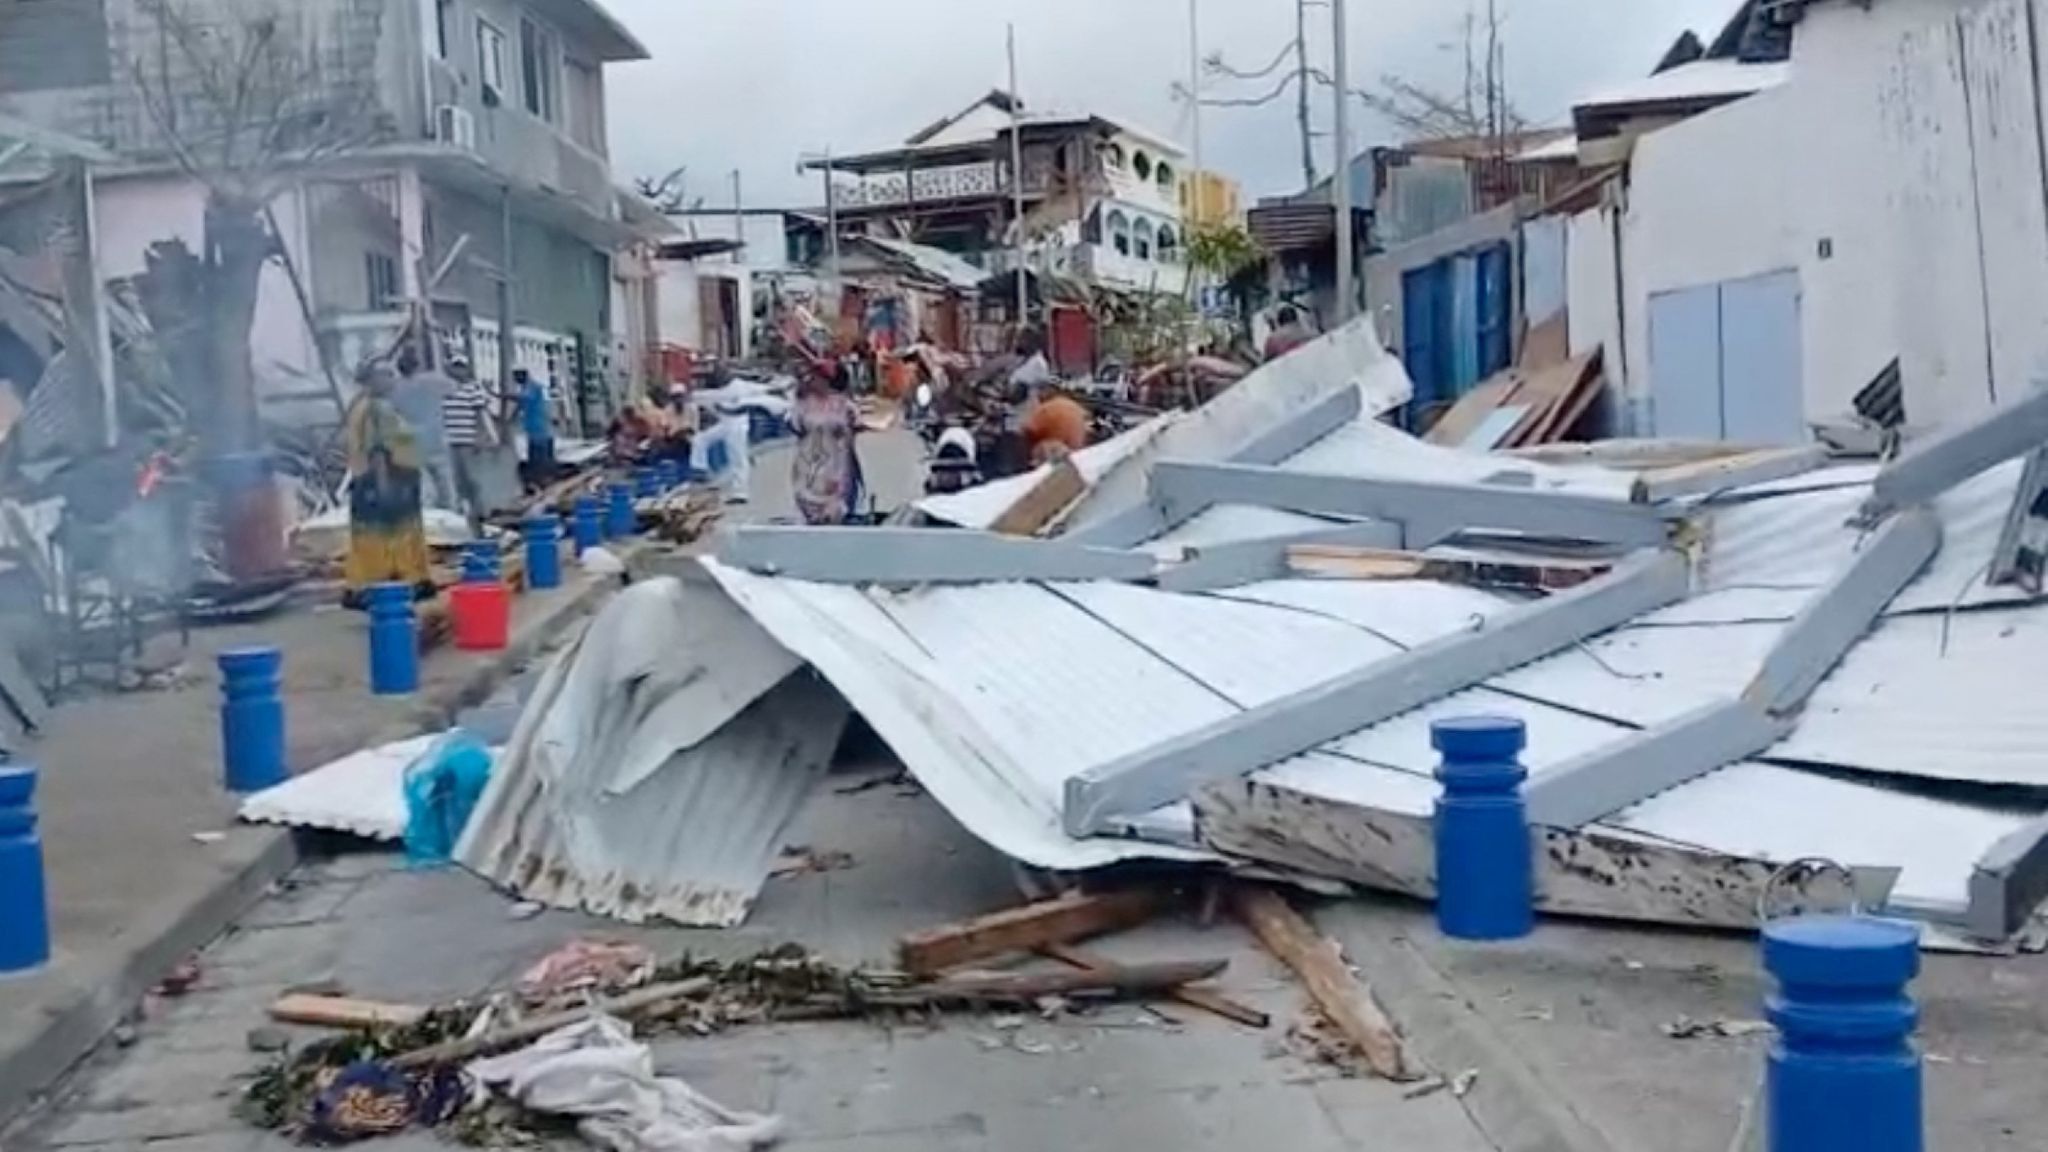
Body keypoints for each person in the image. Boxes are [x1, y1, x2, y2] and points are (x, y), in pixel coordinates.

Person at [343, 361, 431, 607]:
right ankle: (393, 583)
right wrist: (383, 485)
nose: (392, 379)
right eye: (386, 375)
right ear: (372, 380)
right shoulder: (377, 409)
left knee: (377, 537)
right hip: (389, 480)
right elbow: (378, 449)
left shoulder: (364, 406)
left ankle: (369, 584)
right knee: (391, 536)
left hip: (380, 479)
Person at [787, 363, 863, 525]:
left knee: (834, 509)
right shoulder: (803, 404)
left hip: (835, 464)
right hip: (808, 463)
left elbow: (853, 430)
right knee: (804, 503)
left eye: (818, 377)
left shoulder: (845, 406)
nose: (813, 381)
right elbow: (795, 426)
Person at [394, 347, 456, 511]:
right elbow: (454, 387)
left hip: (411, 443)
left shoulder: (395, 388)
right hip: (436, 438)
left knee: (421, 486)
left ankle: (425, 514)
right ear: (417, 365)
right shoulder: (433, 381)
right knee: (445, 483)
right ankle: (450, 513)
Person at [441, 356, 497, 535]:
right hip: (449, 441)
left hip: (468, 441)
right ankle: (460, 515)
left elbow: (482, 414)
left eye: (461, 367)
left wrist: (487, 436)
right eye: (455, 367)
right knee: (455, 481)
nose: (458, 371)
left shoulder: (473, 388)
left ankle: (478, 513)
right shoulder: (444, 389)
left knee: (471, 480)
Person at [1020, 382, 1091, 466]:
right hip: (1077, 452)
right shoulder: (1074, 406)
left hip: (1056, 454)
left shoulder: (1044, 410)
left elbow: (1027, 429)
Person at [516, 368, 557, 487]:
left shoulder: (533, 387)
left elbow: (522, 398)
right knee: (534, 461)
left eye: (518, 377)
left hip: (541, 431)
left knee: (542, 461)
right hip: (533, 432)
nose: (516, 380)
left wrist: (498, 395)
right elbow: (519, 406)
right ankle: (538, 483)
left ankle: (545, 483)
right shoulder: (526, 389)